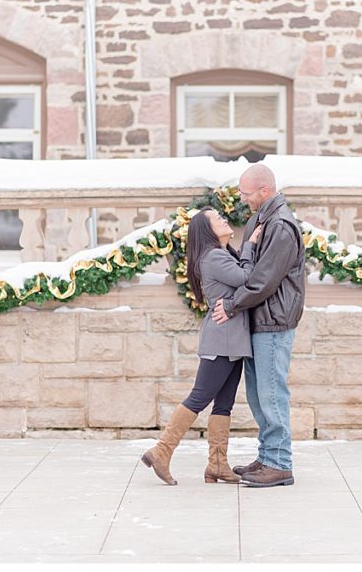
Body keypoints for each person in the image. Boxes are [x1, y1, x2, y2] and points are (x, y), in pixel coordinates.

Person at [141, 209, 261, 485]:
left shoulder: (222, 254)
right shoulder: (214, 256)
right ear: (207, 231)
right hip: (221, 340)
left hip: (233, 340)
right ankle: (162, 451)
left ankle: (217, 464)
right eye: (217, 220)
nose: (224, 220)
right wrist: (250, 246)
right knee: (200, 397)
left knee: (224, 403)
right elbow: (246, 278)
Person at [210, 163, 306, 488]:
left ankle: (279, 463)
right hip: (258, 320)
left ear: (265, 191)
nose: (243, 199)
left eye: (247, 193)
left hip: (274, 322)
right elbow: (246, 267)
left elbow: (263, 281)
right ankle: (267, 456)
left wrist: (233, 304)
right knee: (256, 394)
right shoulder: (260, 219)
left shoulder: (280, 225)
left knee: (271, 393)